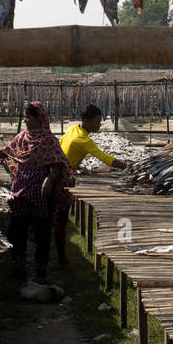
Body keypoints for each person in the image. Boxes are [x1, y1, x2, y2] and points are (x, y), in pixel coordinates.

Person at [0, 101, 70, 284]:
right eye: (25, 117)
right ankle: (19, 267)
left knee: (42, 231)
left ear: (39, 118)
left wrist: (49, 178)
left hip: (41, 192)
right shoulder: (22, 137)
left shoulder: (49, 140)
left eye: (28, 117)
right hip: (21, 188)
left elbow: (58, 164)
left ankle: (41, 271)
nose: (26, 121)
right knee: (17, 229)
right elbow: (5, 153)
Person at [54, 104, 118, 267]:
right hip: (60, 178)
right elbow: (105, 158)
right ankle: (62, 259)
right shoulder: (83, 139)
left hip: (57, 171)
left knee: (57, 217)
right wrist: (130, 167)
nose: (98, 126)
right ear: (86, 121)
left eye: (100, 122)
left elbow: (60, 146)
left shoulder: (73, 129)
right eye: (96, 123)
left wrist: (73, 165)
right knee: (61, 220)